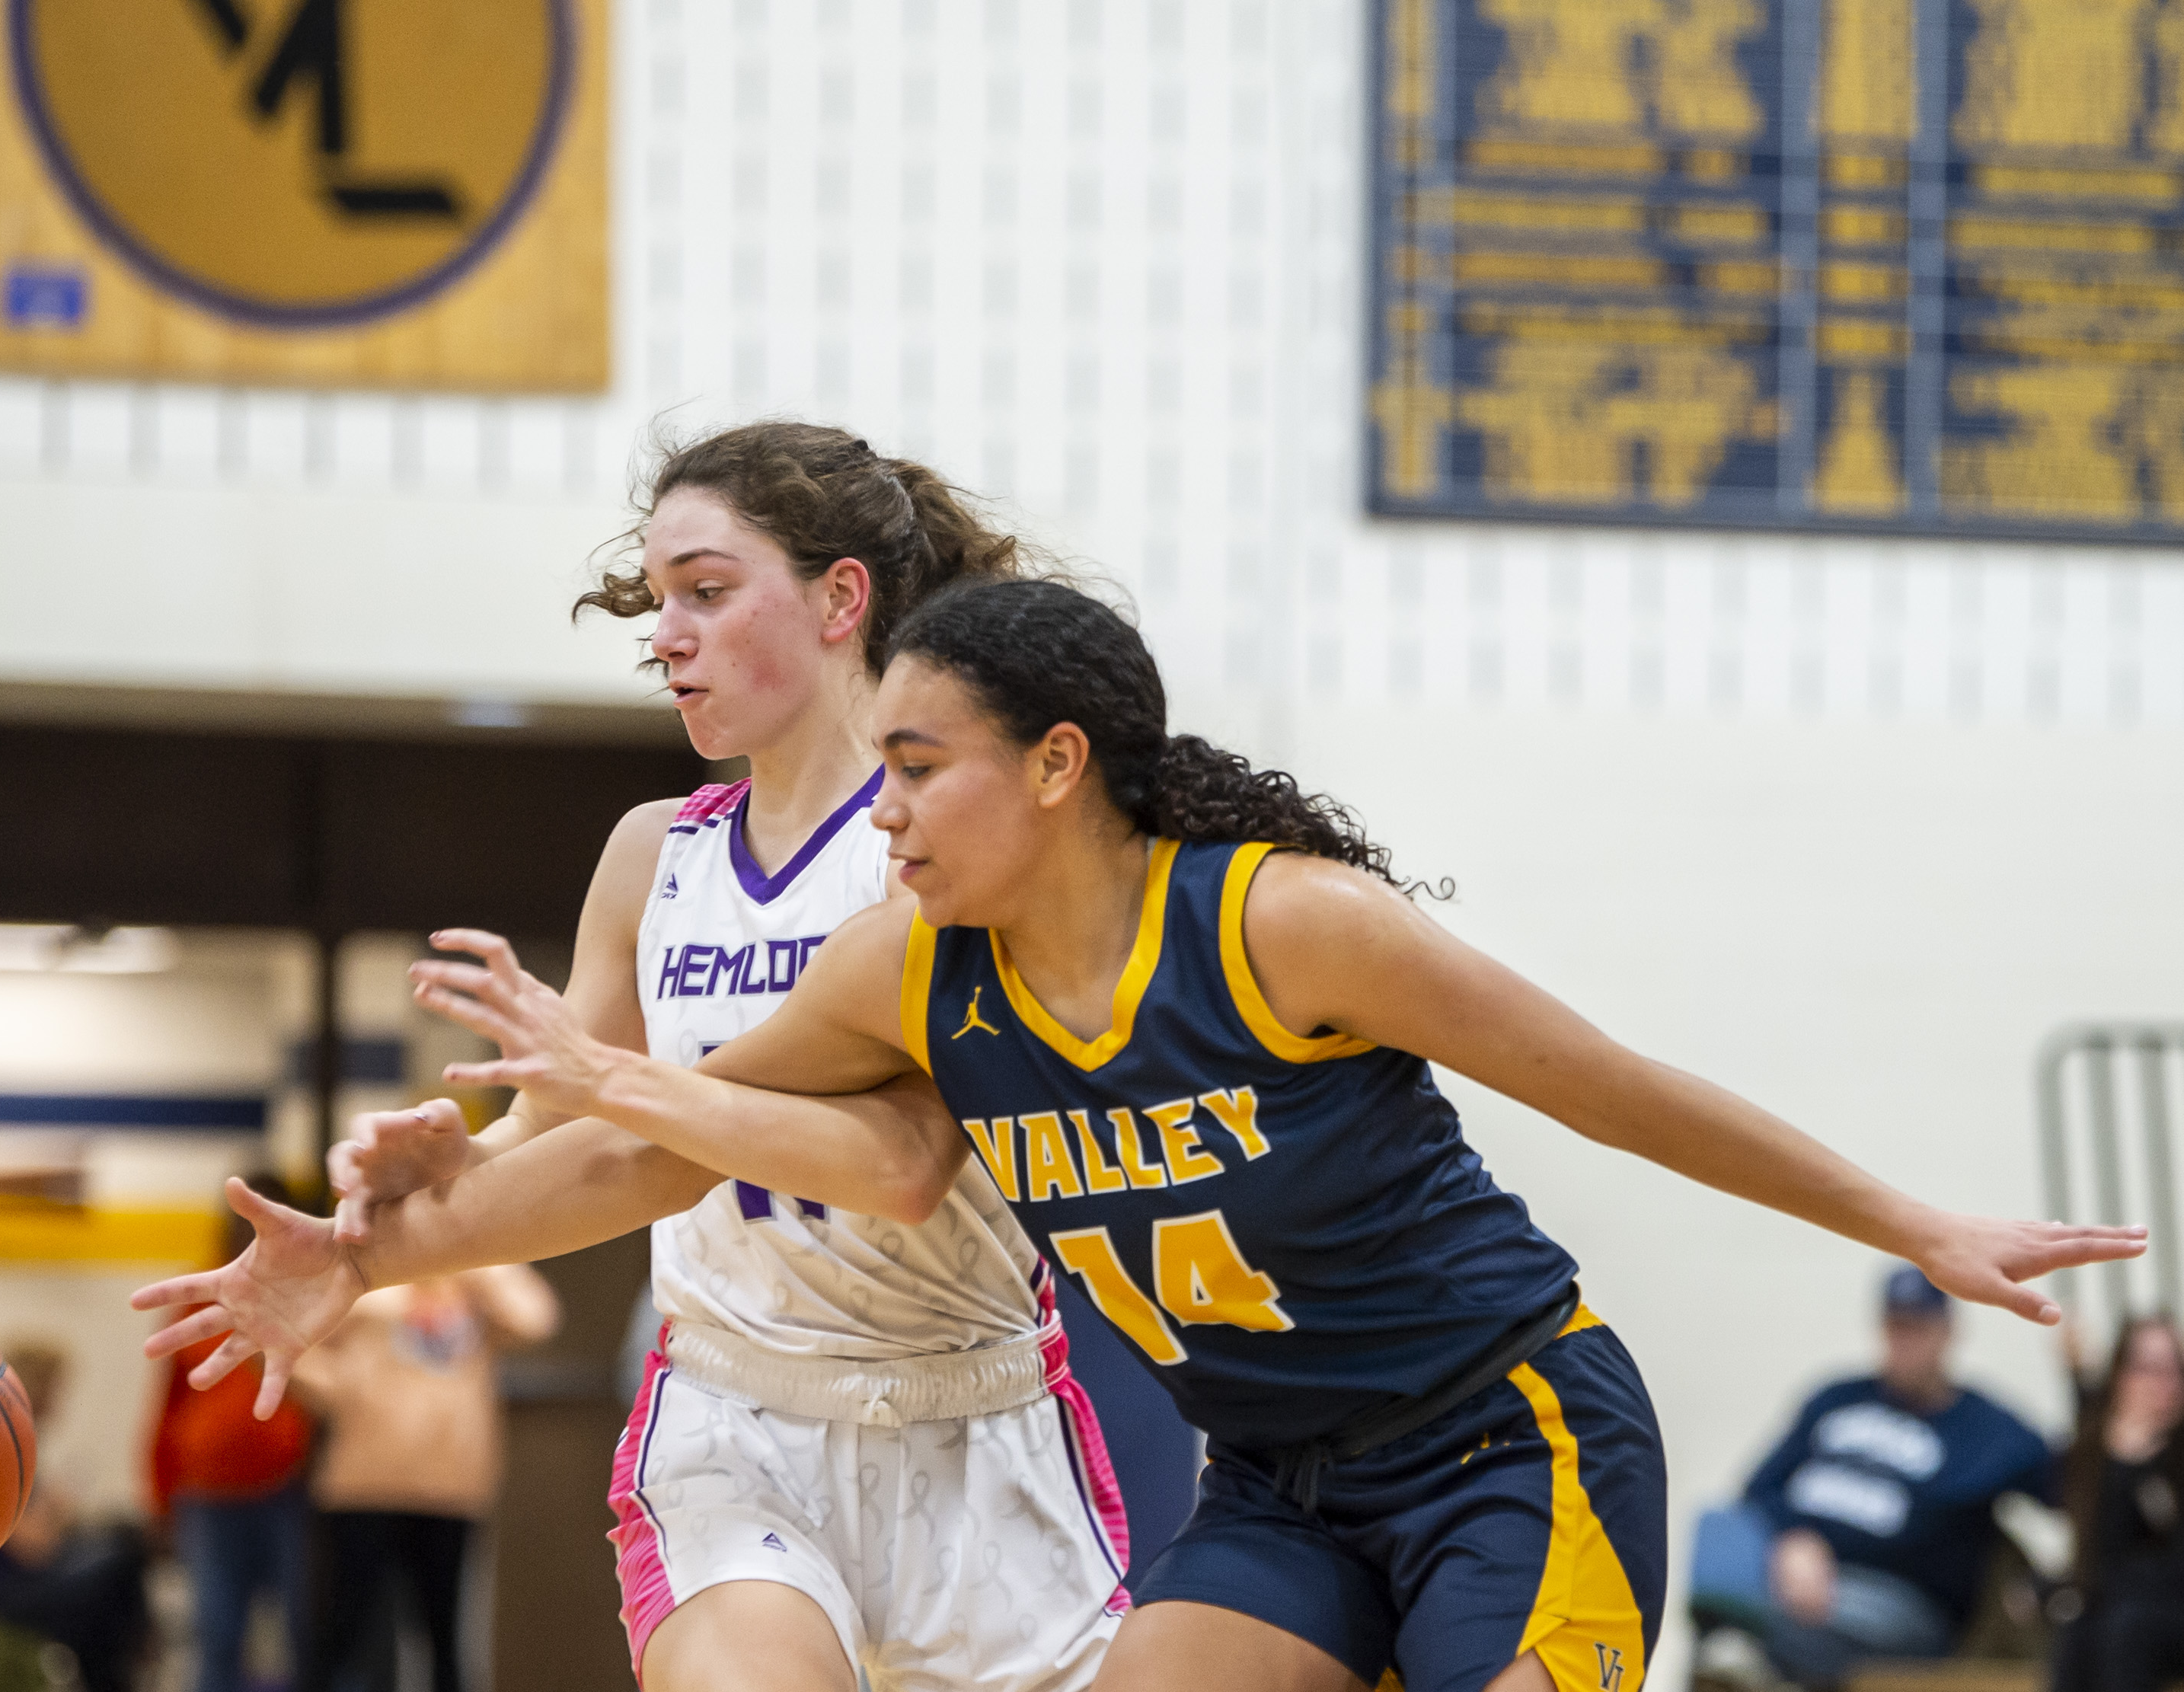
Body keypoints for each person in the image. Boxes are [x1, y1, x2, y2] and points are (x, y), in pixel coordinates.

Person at [139, 579, 2144, 1692]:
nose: (889, 808)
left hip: (1502, 1439)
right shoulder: (917, 968)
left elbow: (1611, 1081)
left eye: (918, 766)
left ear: (1058, 763)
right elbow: (680, 1148)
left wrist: (1904, 1211)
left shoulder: (1280, 921)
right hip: (1277, 1481)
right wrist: (375, 1250)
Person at [313, 423, 1136, 1692]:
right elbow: (573, 1132)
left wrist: (571, 1114)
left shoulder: (935, 845)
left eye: (705, 590)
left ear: (836, 598)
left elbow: (899, 1161)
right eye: (657, 602)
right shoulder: (654, 854)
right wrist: (455, 1156)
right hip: (734, 1417)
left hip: (972, 1418)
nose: (666, 633)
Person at [1697, 1266, 2057, 1689]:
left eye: (1917, 1328)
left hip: (1903, 1604)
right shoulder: (1836, 1397)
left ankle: (1745, 1647)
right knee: (1714, 1538)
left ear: (1947, 1333)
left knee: (1751, 1613)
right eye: (1894, 1326)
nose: (1902, 1343)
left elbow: (2073, 1489)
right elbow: (1759, 1487)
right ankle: (1748, 1648)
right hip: (1798, 1574)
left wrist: (2087, 1388)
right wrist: (1794, 1540)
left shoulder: (1986, 1428)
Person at [292, 1266, 559, 1692]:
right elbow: (297, 1349)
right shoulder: (369, 1284)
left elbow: (537, 1319)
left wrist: (474, 1256)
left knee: (444, 1637)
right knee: (339, 1632)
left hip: (449, 1491)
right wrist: (347, 1392)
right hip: (362, 1488)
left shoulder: (477, 1293)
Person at [150, 1173, 317, 1692]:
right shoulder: (199, 1295)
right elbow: (167, 1406)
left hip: (288, 1492)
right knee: (217, 1634)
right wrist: (158, 1496)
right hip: (209, 1495)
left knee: (306, 1631)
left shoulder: (311, 1293)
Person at [0, 1336, 152, 1692]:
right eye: (55, 1389)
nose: (60, 1402)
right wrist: (59, 1512)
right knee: (121, 1562)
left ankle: (119, 1667)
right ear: (36, 1389)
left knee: (121, 1547)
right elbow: (36, 1548)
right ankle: (120, 1670)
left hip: (16, 1578)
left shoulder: (15, 1444)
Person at [2052, 1313, 2184, 1692]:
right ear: (2122, 1377)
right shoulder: (2099, 1448)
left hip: (2165, 1609)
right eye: (2149, 1369)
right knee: (2080, 1629)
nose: (2164, 1384)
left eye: (2174, 1369)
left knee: (2126, 1625)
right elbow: (2098, 1546)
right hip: (2118, 1604)